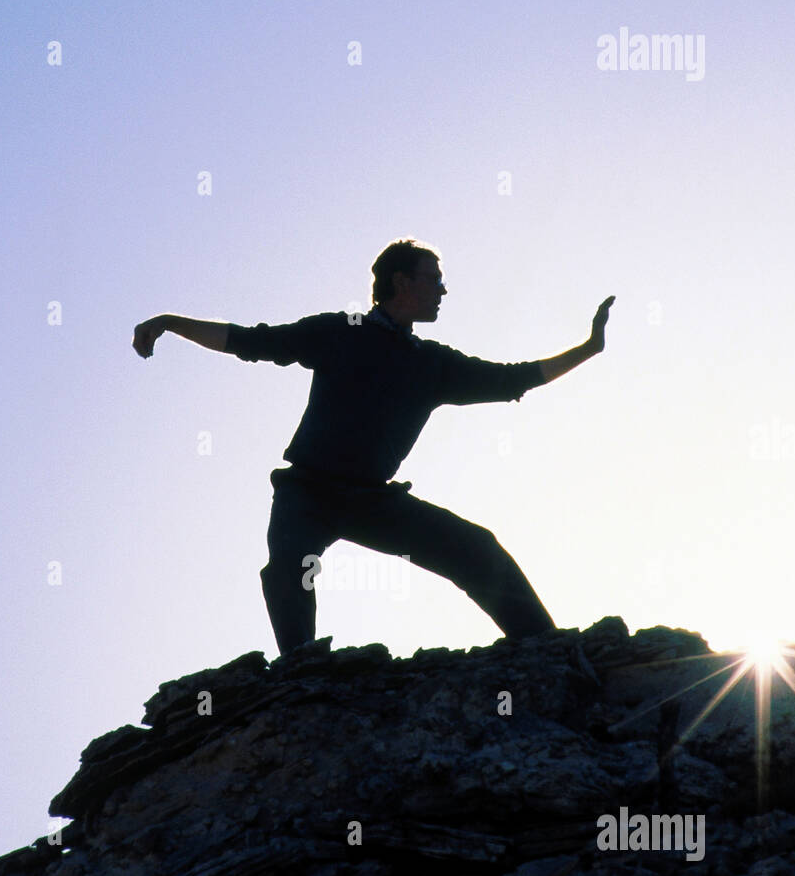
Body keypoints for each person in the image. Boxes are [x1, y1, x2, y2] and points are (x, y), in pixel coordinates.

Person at [133, 239, 613, 656]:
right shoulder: (342, 331)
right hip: (306, 492)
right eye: (435, 279)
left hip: (372, 500)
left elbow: (513, 379)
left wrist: (588, 350)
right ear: (402, 283)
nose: (443, 290)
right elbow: (250, 341)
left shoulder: (433, 364)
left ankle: (549, 650)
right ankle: (301, 672)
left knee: (476, 548)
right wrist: (173, 323)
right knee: (289, 569)